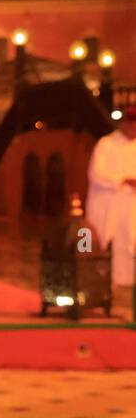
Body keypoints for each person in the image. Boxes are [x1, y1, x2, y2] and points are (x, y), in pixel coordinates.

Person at [86, 106, 136, 287]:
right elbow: (97, 174)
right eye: (130, 124)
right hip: (107, 206)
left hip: (131, 208)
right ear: (123, 124)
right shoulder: (106, 144)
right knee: (106, 244)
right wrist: (122, 181)